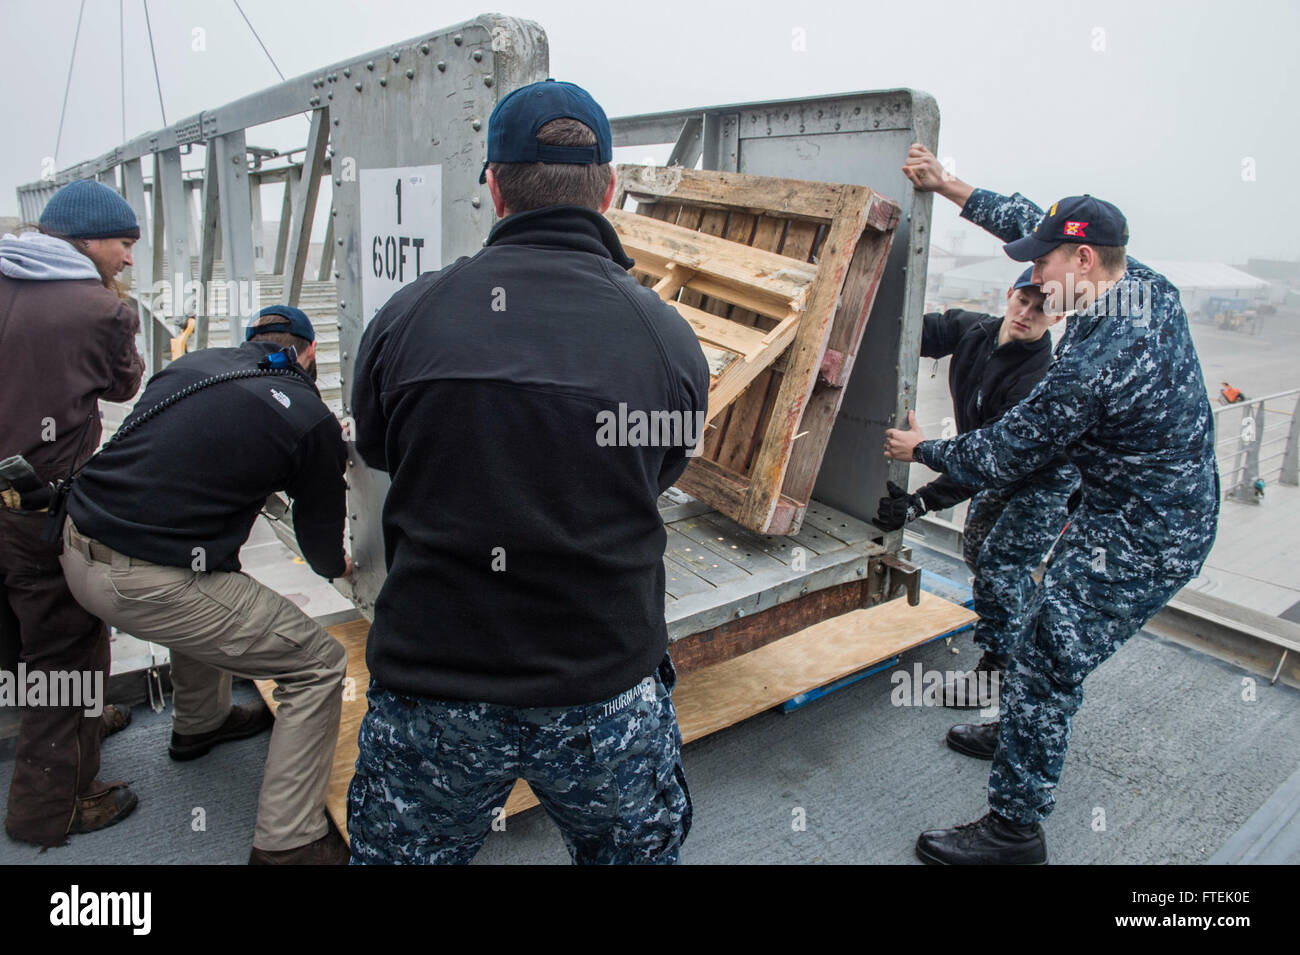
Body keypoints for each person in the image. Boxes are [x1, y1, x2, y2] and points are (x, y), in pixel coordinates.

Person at [348, 79, 710, 865]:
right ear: (609, 188)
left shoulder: (406, 318)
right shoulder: (666, 338)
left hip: (432, 686)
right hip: (603, 688)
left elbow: (379, 451)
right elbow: (659, 470)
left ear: (492, 185)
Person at [885, 179, 1220, 864]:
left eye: (1044, 267)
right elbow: (1032, 220)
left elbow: (1004, 451)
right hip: (1127, 507)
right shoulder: (1141, 281)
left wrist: (922, 450)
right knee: (1039, 633)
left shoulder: (1098, 363)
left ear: (1085, 264)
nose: (1034, 277)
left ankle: (1014, 832)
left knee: (1046, 652)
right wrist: (949, 184)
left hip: (1147, 533)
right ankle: (1019, 728)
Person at [58, 305, 353, 864]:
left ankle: (200, 724)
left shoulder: (191, 368)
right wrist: (345, 567)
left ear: (251, 341)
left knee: (213, 580)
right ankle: (288, 843)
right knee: (317, 663)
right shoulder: (309, 418)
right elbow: (320, 552)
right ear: (308, 353)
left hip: (75, 547)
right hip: (144, 583)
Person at [875, 179, 1077, 708]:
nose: (1027, 311)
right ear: (1010, 295)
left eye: (1040, 307)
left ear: (1056, 317)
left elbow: (988, 460)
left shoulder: (1039, 380)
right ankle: (1022, 629)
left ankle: (1000, 671)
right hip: (991, 465)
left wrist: (920, 489)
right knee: (977, 547)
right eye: (1023, 298)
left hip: (1042, 480)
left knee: (1000, 565)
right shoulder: (975, 332)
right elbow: (912, 333)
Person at [0, 179, 145, 847]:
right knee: (68, 645)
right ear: (89, 242)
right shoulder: (99, 309)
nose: (128, 259)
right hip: (39, 509)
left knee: (18, 635)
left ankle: (84, 722)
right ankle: (52, 806)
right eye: (123, 244)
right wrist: (116, 304)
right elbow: (122, 383)